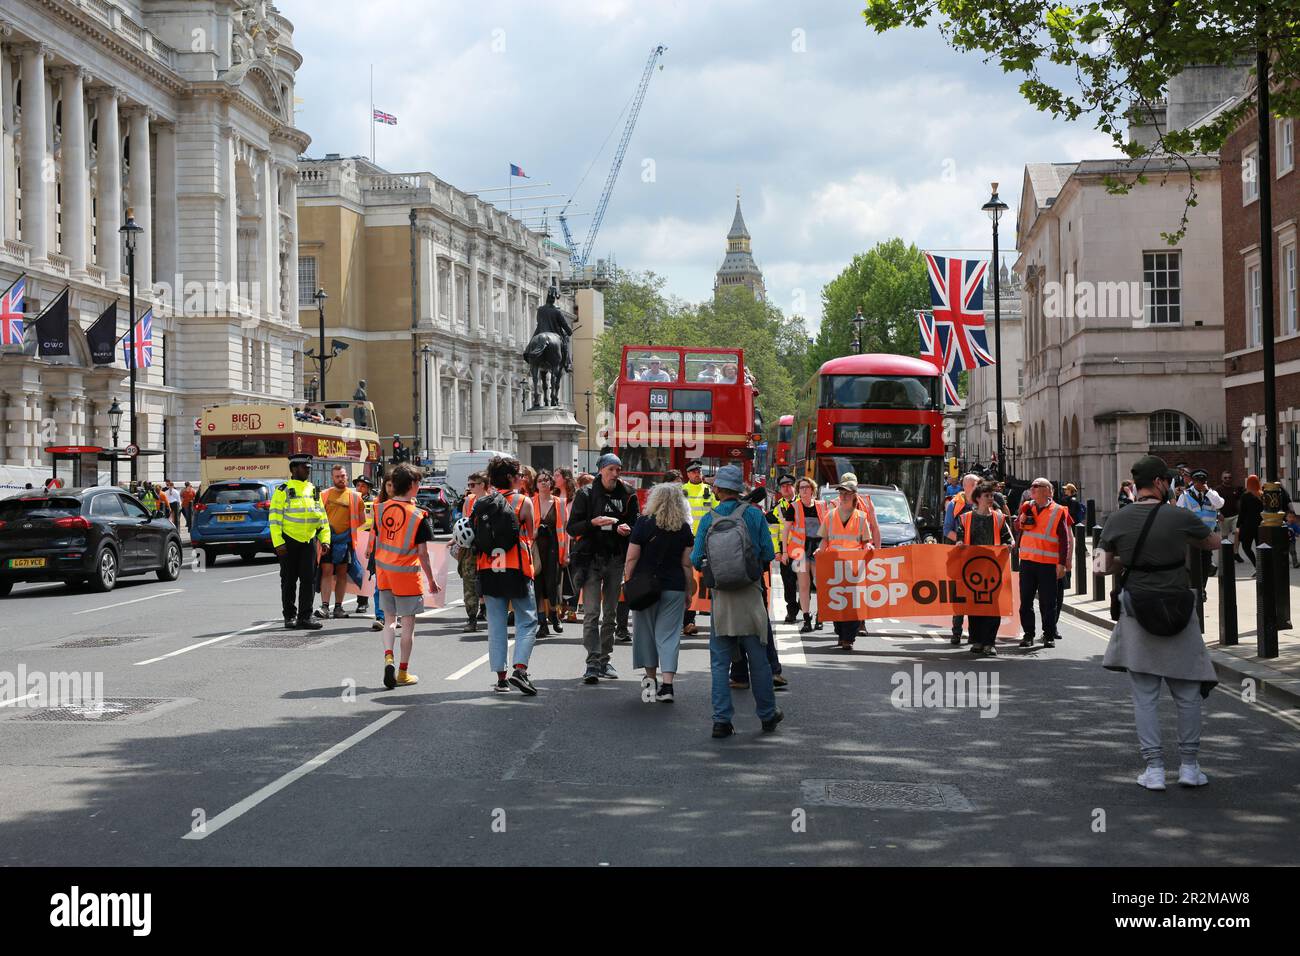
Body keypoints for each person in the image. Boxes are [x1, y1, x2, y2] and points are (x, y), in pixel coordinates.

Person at [1099, 455, 1219, 790]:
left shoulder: (1116, 519)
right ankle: (1190, 767)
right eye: (1168, 480)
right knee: (1188, 692)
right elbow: (1211, 542)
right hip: (1179, 610)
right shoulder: (1179, 516)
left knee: (1145, 695)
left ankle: (1154, 770)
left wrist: (1127, 560)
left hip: (1137, 610)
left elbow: (1099, 567)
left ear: (1136, 486)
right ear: (1161, 483)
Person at [692, 464, 780, 738]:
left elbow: (696, 559)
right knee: (759, 662)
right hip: (751, 597)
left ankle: (721, 721)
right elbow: (768, 552)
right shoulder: (754, 515)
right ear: (739, 490)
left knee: (720, 663)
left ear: (718, 490)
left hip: (722, 601)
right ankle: (767, 716)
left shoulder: (708, 520)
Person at [567, 453, 639, 683]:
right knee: (591, 614)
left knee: (609, 614)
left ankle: (605, 660)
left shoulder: (628, 493)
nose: (615, 474)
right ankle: (592, 662)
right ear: (601, 470)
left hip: (615, 559)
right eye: (611, 469)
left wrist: (627, 528)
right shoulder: (586, 493)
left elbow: (636, 524)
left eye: (618, 469)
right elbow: (572, 528)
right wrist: (593, 523)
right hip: (590, 560)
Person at [472, 456, 540, 695]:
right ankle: (520, 670)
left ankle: (501, 678)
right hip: (516, 569)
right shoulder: (523, 502)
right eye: (519, 475)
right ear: (511, 478)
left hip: (488, 569)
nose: (521, 478)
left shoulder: (480, 503)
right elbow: (531, 536)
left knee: (496, 624)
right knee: (527, 620)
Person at [624, 482, 696, 703]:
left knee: (645, 634)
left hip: (645, 587)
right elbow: (686, 564)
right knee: (669, 636)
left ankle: (649, 684)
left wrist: (628, 583)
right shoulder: (684, 528)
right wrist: (688, 590)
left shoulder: (643, 523)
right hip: (674, 586)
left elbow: (632, 558)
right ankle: (668, 686)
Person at [373, 463, 441, 689]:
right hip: (406, 576)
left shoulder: (380, 508)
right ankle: (402, 672)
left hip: (384, 573)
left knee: (389, 621)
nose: (419, 486)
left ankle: (388, 656)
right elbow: (422, 554)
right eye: (419, 482)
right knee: (408, 626)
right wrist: (431, 580)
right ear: (412, 485)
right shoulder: (418, 516)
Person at [729, 485, 787, 690]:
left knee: (732, 626)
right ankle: (772, 670)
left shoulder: (715, 514)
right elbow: (769, 553)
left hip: (726, 580)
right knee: (760, 623)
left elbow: (698, 555)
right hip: (753, 579)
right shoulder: (755, 515)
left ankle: (739, 675)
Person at [269, 454, 330, 631]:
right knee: (289, 581)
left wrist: (325, 539)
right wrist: (278, 543)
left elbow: (322, 518)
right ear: (294, 469)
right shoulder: (283, 490)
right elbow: (274, 519)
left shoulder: (314, 490)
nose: (308, 470)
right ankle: (290, 616)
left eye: (309, 467)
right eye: (305, 467)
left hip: (309, 541)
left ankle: (305, 617)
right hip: (288, 542)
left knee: (308, 581)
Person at [954, 481, 1015, 656]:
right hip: (972, 569)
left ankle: (990, 642)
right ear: (978, 498)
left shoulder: (999, 517)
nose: (991, 498)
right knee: (974, 606)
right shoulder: (966, 518)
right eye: (987, 496)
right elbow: (960, 536)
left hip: (993, 569)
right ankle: (978, 640)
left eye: (992, 495)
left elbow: (1008, 538)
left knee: (993, 606)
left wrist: (1008, 545)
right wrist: (959, 543)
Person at [815, 477, 876, 650]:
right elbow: (824, 540)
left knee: (853, 603)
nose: (843, 497)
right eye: (841, 493)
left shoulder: (862, 517)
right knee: (838, 601)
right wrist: (820, 550)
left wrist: (869, 546)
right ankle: (841, 634)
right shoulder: (830, 515)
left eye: (847, 494)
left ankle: (848, 638)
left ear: (854, 496)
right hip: (834, 565)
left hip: (855, 568)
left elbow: (866, 541)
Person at [1014, 477, 1072, 649]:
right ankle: (1028, 634)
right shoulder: (1027, 506)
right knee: (1025, 601)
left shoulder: (1058, 510)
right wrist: (1023, 516)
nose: (1032, 489)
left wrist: (1062, 563)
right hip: (1027, 562)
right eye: (1031, 486)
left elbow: (1064, 539)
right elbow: (1018, 527)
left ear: (1047, 490)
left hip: (1048, 564)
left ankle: (1048, 634)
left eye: (1036, 486)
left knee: (1048, 602)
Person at [316, 465, 364, 619]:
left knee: (342, 573)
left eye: (343, 476)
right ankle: (325, 607)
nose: (340, 479)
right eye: (337, 476)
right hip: (327, 540)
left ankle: (338, 607)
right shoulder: (324, 495)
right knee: (327, 571)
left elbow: (361, 520)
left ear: (347, 477)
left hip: (346, 541)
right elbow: (318, 517)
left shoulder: (355, 496)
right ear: (332, 478)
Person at [786, 477, 826, 634]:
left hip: (818, 550)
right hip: (799, 552)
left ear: (812, 489)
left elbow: (828, 527)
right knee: (803, 586)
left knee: (820, 584)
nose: (804, 490)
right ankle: (807, 618)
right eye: (801, 487)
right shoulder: (793, 507)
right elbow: (786, 531)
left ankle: (820, 617)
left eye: (806, 487)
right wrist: (783, 552)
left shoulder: (822, 506)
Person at [680, 460, 716, 637]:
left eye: (699, 471)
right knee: (690, 580)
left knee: (707, 579)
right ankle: (688, 620)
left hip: (707, 541)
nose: (696, 474)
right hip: (688, 541)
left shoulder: (709, 491)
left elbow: (718, 514)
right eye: (693, 471)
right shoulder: (681, 490)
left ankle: (713, 618)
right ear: (688, 474)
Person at [943, 474, 980, 645]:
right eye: (976, 484)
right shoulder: (954, 504)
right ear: (967, 486)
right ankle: (956, 632)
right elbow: (947, 530)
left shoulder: (983, 502)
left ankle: (974, 633)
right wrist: (962, 542)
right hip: (960, 555)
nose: (978, 486)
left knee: (976, 595)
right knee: (960, 595)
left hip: (978, 557)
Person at [1176, 469, 1223, 600]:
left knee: (1206, 564)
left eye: (1203, 482)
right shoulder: (1185, 495)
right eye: (1198, 482)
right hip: (1192, 537)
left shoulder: (1212, 494)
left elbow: (1220, 503)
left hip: (1208, 536)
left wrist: (1208, 492)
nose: (1200, 485)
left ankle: (1202, 587)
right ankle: (1195, 588)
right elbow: (1179, 513)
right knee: (1192, 563)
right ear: (1194, 482)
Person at [531, 469, 567, 637]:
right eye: (540, 480)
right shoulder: (531, 502)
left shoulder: (560, 503)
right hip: (536, 550)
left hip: (554, 549)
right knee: (537, 587)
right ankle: (542, 623)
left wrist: (565, 553)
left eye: (546, 480)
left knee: (553, 586)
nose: (543, 483)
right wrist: (535, 532)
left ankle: (553, 613)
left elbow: (564, 531)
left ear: (551, 483)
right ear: (536, 485)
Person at [458, 473, 487, 631]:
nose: (470, 488)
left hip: (488, 549)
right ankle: (472, 618)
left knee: (489, 583)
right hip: (470, 548)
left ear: (483, 484)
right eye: (469, 485)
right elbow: (463, 522)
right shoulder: (469, 501)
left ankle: (489, 612)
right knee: (469, 584)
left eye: (473, 485)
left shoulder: (493, 500)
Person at [772, 475, 801, 624]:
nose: (786, 488)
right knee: (788, 582)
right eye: (783, 486)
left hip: (802, 550)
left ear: (794, 487)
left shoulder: (802, 504)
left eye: (789, 485)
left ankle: (803, 604)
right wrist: (777, 551)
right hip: (786, 551)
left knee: (804, 583)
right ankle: (791, 610)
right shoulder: (777, 507)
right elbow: (774, 531)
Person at [352, 475, 376, 619]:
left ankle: (363, 602)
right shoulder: (352, 499)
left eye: (363, 486)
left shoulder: (373, 501)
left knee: (366, 572)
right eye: (358, 485)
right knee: (355, 571)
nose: (359, 488)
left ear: (368, 489)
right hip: (355, 537)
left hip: (368, 538)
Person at [1238, 474, 1264, 574]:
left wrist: (1238, 525)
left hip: (1248, 526)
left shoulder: (1245, 496)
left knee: (1246, 547)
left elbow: (1242, 513)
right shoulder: (1262, 495)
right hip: (1260, 525)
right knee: (1260, 547)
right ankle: (1261, 567)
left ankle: (1257, 566)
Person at [1218, 472, 1243, 564]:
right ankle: (1225, 554)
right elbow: (1214, 503)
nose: (1227, 479)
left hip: (1235, 515)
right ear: (1222, 478)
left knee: (1237, 532)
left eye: (1229, 477)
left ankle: (1235, 552)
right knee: (1224, 536)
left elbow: (1239, 501)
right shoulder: (1218, 489)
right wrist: (1218, 513)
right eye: (1225, 478)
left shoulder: (1235, 489)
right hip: (1223, 516)